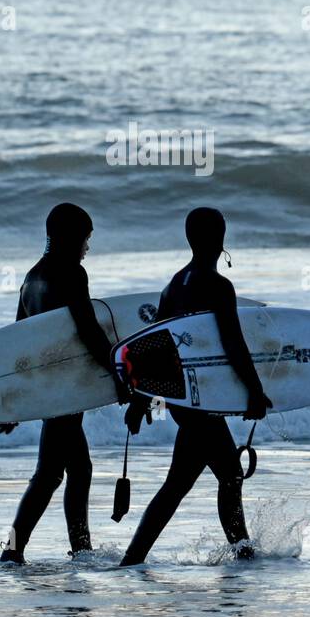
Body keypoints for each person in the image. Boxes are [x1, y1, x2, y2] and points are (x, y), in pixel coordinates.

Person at [119, 207, 271, 566]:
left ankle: (135, 558)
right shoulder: (218, 286)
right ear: (221, 239)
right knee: (227, 475)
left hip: (184, 399)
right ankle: (242, 553)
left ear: (190, 239)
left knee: (184, 482)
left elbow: (151, 346)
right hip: (200, 400)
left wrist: (140, 402)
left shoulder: (173, 284)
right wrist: (254, 389)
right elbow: (233, 342)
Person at [0, 203, 127, 564]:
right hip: (64, 385)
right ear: (70, 238)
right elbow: (88, 331)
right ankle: (16, 551)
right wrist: (120, 373)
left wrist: (14, 402)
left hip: (47, 383)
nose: (87, 247)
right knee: (51, 473)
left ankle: (78, 548)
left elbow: (16, 342)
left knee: (72, 469)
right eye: (86, 239)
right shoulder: (72, 273)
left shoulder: (32, 277)